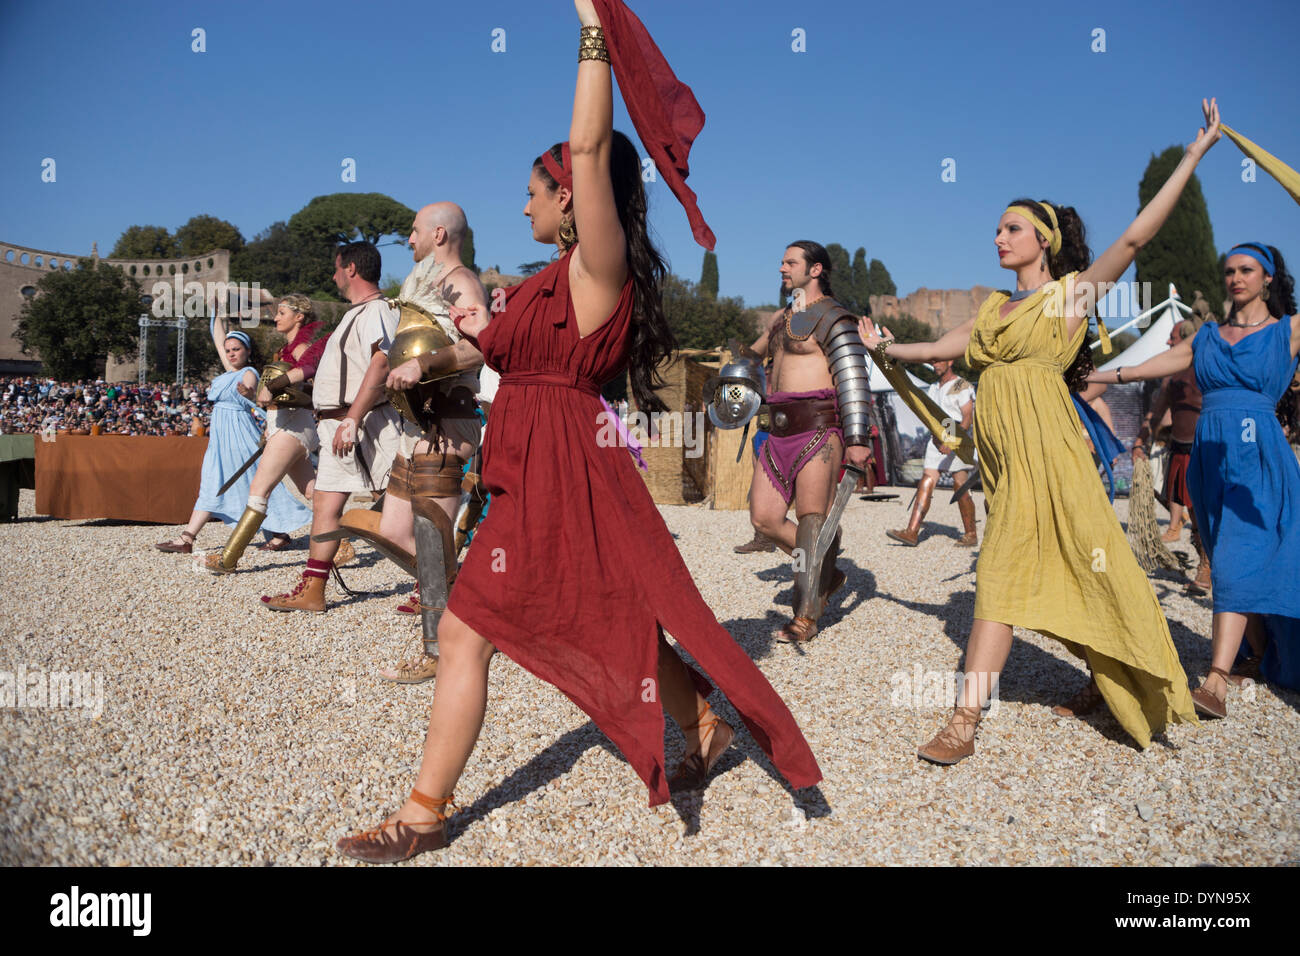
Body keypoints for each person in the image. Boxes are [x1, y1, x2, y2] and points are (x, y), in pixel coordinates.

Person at [335, 0, 820, 863]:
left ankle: (423, 812)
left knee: (464, 627)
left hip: (562, 465)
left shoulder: (598, 269)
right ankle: (702, 721)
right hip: (527, 459)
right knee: (612, 610)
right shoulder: (540, 281)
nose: (521, 207)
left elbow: (592, 146)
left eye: (533, 192)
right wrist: (434, 360)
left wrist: (592, 28)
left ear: (571, 197)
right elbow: (491, 348)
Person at [859, 99, 1223, 765]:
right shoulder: (996, 306)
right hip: (1005, 465)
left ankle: (965, 720)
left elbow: (1138, 237)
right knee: (1056, 572)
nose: (998, 237)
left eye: (1012, 228)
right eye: (996, 228)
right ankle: (1101, 680)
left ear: (1044, 240)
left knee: (1017, 575)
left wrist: (1194, 156)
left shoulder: (1072, 296)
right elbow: (942, 343)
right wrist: (887, 347)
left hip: (1052, 458)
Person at [1090, 240, 1300, 714]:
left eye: (1247, 270)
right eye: (1229, 271)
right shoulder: (1206, 336)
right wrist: (1103, 376)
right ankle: (1264, 655)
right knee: (1227, 551)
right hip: (1210, 460)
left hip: (1260, 460)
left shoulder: (1287, 332)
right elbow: (1154, 366)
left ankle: (1216, 681)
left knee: (1233, 558)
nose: (1236, 278)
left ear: (1268, 277)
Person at [335, 202, 486, 683]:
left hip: (447, 421)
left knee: (429, 535)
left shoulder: (459, 282)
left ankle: (437, 653)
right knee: (395, 531)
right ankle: (478, 604)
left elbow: (481, 344)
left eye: (414, 231)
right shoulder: (420, 285)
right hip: (414, 428)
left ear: (438, 233)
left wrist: (423, 366)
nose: (407, 239)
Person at [261, 242, 409, 612]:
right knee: (325, 504)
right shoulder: (356, 314)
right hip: (338, 426)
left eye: (337, 268)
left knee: (405, 508)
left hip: (363, 424)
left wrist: (352, 418)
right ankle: (313, 587)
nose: (333, 275)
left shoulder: (377, 310)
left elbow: (382, 361)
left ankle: (440, 586)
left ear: (352, 270)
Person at [743, 241, 874, 642]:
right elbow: (750, 357)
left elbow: (853, 379)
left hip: (819, 429)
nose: (782, 267)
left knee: (811, 521)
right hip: (778, 429)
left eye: (790, 262)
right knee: (763, 518)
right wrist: (729, 383)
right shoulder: (781, 318)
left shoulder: (834, 317)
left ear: (815, 270)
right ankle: (827, 572)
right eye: (781, 260)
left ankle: (806, 615)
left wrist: (858, 439)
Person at [156, 319, 309, 553]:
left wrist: (248, 393)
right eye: (228, 351)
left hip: (239, 434)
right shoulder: (229, 371)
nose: (230, 353)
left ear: (247, 351)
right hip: (220, 437)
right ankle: (277, 533)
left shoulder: (249, 372)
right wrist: (216, 312)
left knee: (241, 482)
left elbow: (255, 397)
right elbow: (218, 339)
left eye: (236, 349)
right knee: (225, 482)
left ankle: (187, 538)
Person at [202, 294, 325, 572]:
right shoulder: (288, 349)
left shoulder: (300, 348)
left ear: (299, 318)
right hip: (288, 425)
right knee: (312, 491)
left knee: (258, 490)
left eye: (282, 312)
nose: (276, 317)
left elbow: (317, 387)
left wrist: (279, 391)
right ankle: (340, 543)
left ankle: (228, 558)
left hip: (291, 426)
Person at [1132, 317, 1210, 590]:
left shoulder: (1208, 370)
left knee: (1204, 514)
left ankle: (1208, 567)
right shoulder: (1171, 377)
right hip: (1179, 450)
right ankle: (1205, 562)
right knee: (1193, 511)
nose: (1168, 341)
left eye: (1173, 337)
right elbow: (1155, 413)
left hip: (1205, 452)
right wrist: (1140, 441)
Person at [886, 358, 977, 547]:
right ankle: (911, 532)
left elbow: (967, 416)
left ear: (950, 361)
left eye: (939, 361)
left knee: (960, 485)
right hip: (936, 440)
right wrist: (938, 439)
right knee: (927, 480)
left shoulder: (961, 384)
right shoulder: (934, 387)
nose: (935, 365)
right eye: (933, 362)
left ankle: (970, 534)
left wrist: (951, 441)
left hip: (957, 438)